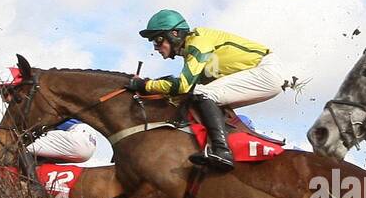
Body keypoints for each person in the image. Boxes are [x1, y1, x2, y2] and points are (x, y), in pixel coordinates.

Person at [126, 9, 294, 172]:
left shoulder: (198, 42)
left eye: (158, 40)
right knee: (196, 97)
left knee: (203, 94)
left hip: (266, 71)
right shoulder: (191, 53)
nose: (156, 48)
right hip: (264, 73)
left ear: (175, 34)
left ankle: (222, 151)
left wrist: (145, 85)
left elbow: (183, 86)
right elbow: (183, 93)